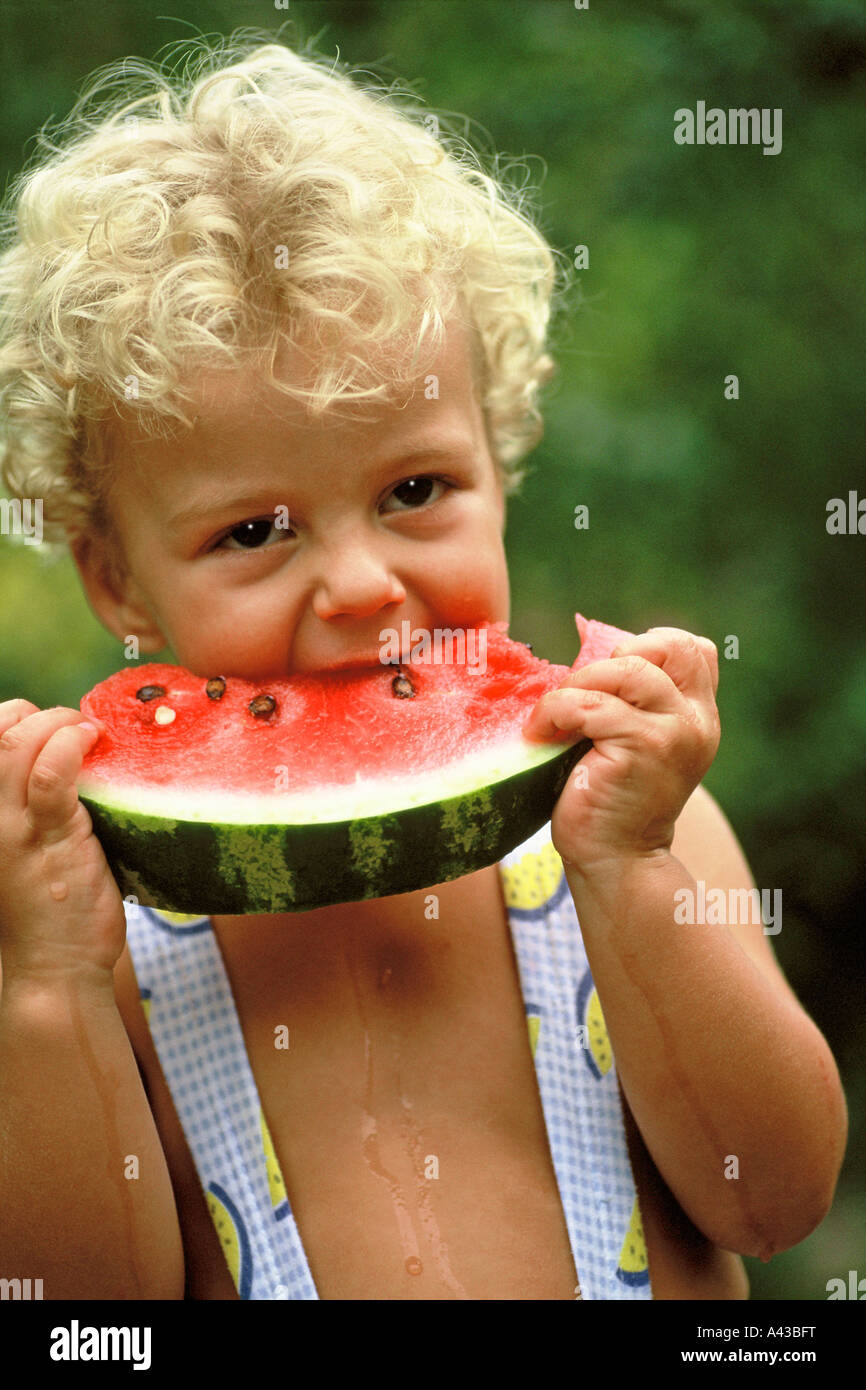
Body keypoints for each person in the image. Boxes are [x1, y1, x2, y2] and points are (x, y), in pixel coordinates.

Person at [0, 36, 847, 1300]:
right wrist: (44, 986)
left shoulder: (619, 821)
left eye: (414, 489)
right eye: (253, 531)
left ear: (500, 471)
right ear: (117, 581)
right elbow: (84, 1317)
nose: (356, 583)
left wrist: (636, 875)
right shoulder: (103, 932)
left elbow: (771, 1198)